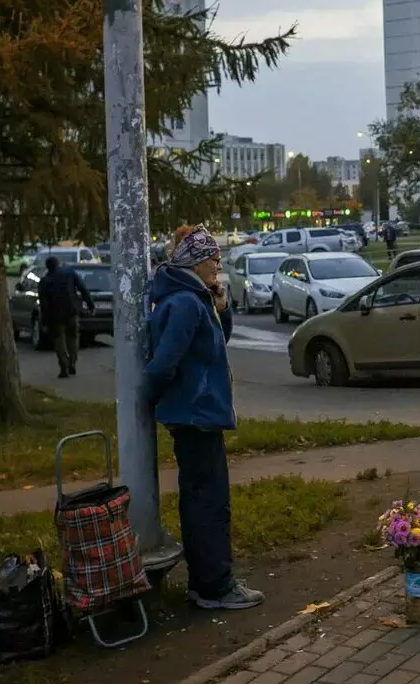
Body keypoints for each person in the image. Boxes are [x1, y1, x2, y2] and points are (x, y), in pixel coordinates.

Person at [144, 224, 264, 611]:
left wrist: (222, 306)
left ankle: (208, 581)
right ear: (195, 262)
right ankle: (214, 586)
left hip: (201, 415)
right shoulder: (183, 304)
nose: (218, 264)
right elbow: (163, 364)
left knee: (205, 499)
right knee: (207, 503)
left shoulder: (196, 298)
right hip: (195, 416)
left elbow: (215, 341)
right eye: (213, 259)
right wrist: (149, 402)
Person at [37, 255, 94, 378]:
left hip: (54, 316)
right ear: (58, 264)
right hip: (72, 311)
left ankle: (64, 366)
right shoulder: (69, 273)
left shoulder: (45, 281)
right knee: (73, 338)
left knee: (59, 342)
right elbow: (83, 289)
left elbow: (44, 304)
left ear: (48, 267)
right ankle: (72, 362)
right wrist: (90, 305)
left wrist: (44, 321)